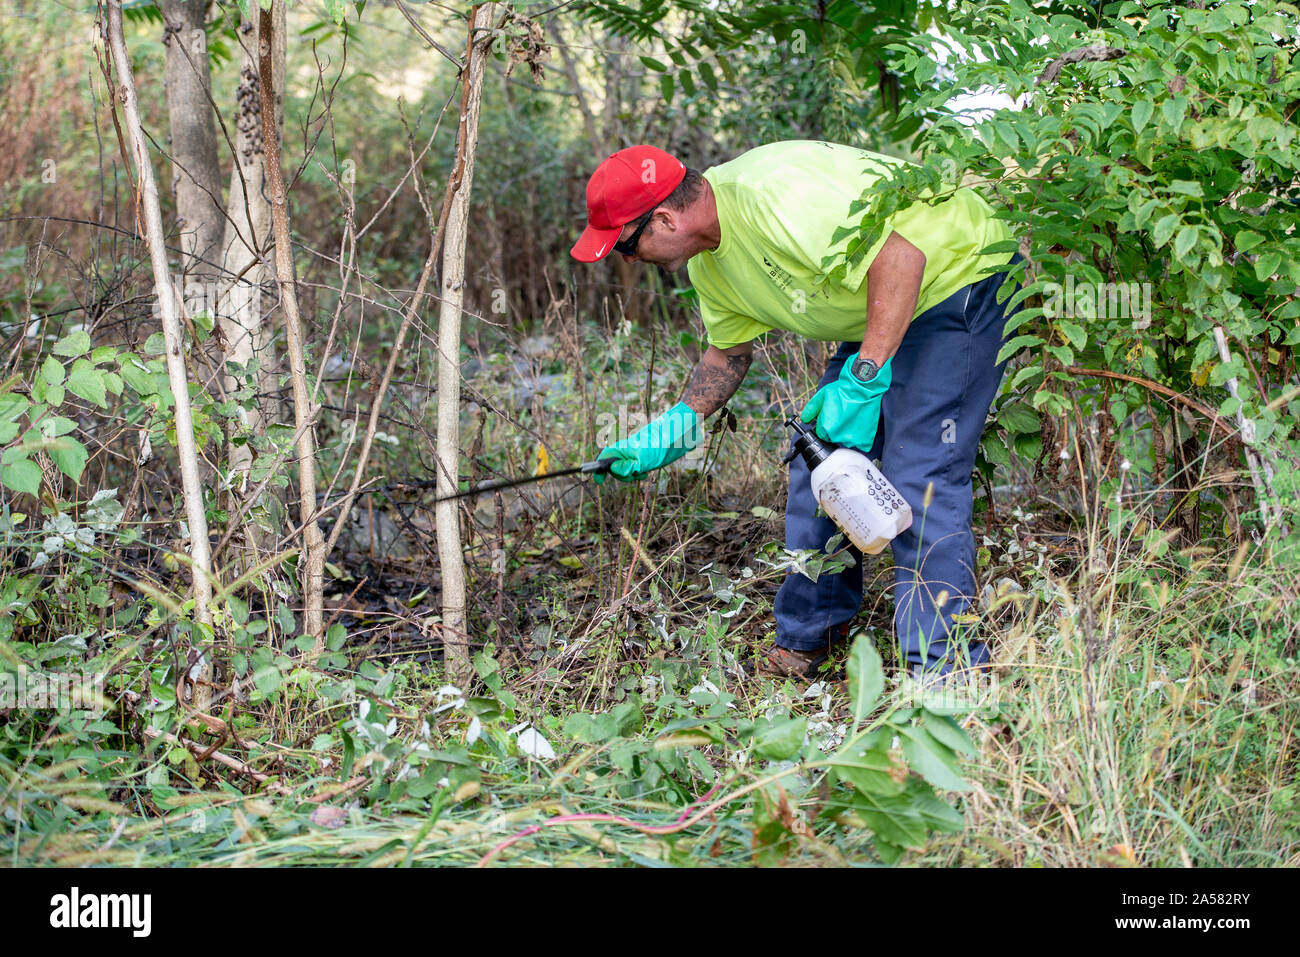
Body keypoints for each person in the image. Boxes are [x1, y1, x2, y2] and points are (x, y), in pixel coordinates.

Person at [571, 141, 1022, 682]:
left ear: (663, 219)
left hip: (956, 275)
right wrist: (676, 426)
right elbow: (729, 354)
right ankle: (812, 635)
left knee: (920, 470)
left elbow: (902, 259)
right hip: (880, 302)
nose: (628, 260)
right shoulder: (710, 268)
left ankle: (943, 671)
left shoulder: (776, 194)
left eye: (625, 246)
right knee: (819, 463)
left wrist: (862, 381)